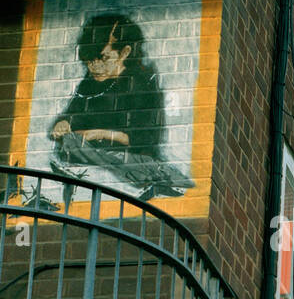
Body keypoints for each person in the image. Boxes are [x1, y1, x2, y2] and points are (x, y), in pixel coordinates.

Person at [49, 12, 193, 200]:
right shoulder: (89, 84)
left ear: (125, 53)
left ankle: (149, 179)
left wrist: (100, 134)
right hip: (96, 154)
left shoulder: (142, 83)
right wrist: (65, 123)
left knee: (95, 154)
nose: (95, 67)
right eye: (90, 61)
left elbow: (145, 138)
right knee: (69, 144)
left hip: (134, 159)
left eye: (104, 58)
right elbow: (73, 116)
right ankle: (134, 181)